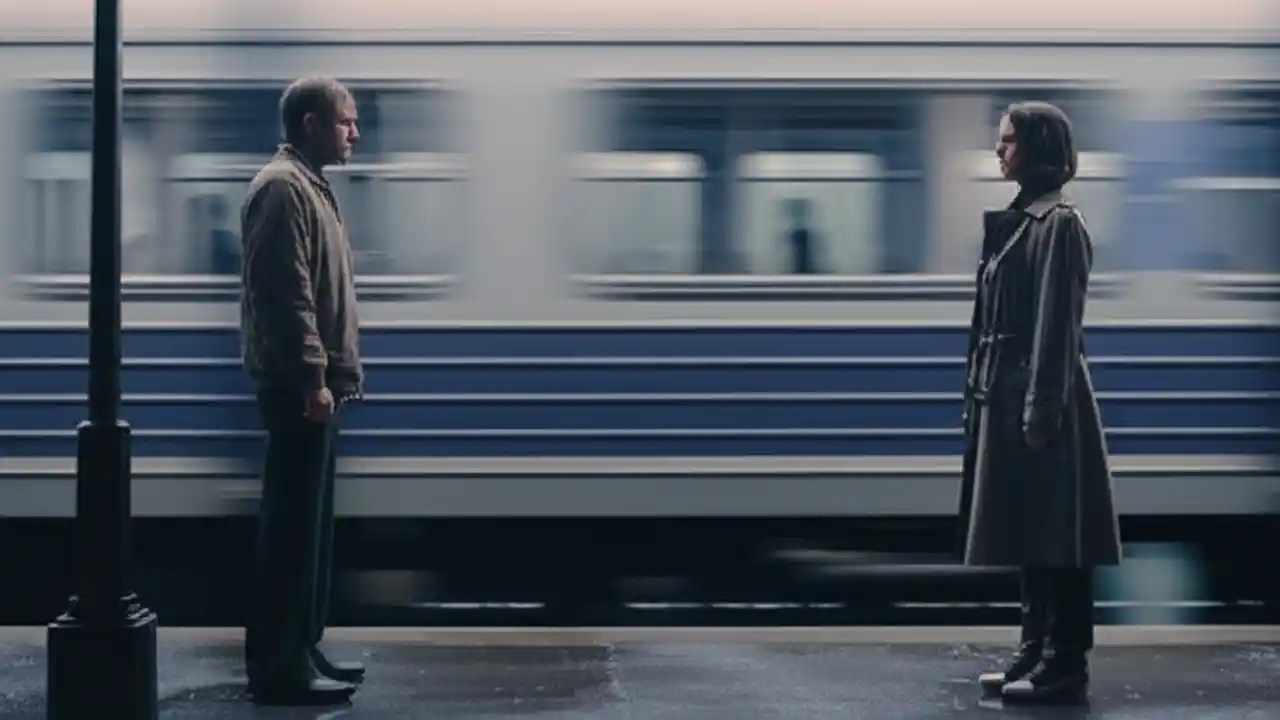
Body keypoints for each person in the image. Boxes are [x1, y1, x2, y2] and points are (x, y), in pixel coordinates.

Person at [957, 101, 1123, 705]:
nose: (999, 151)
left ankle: (1064, 662)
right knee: (1034, 532)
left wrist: (1040, 411)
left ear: (1039, 147)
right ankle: (1034, 648)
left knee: (1060, 537)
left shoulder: (1060, 225)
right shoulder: (1021, 221)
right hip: (1010, 396)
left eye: (1009, 141)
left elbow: (1056, 327)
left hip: (1041, 399)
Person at [239, 76, 364, 706]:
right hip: (299, 388)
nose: (355, 134)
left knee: (308, 529)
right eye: (346, 122)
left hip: (317, 387)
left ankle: (301, 647)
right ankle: (280, 666)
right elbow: (284, 297)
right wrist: (313, 377)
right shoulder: (284, 190)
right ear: (311, 122)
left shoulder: (309, 187)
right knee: (291, 530)